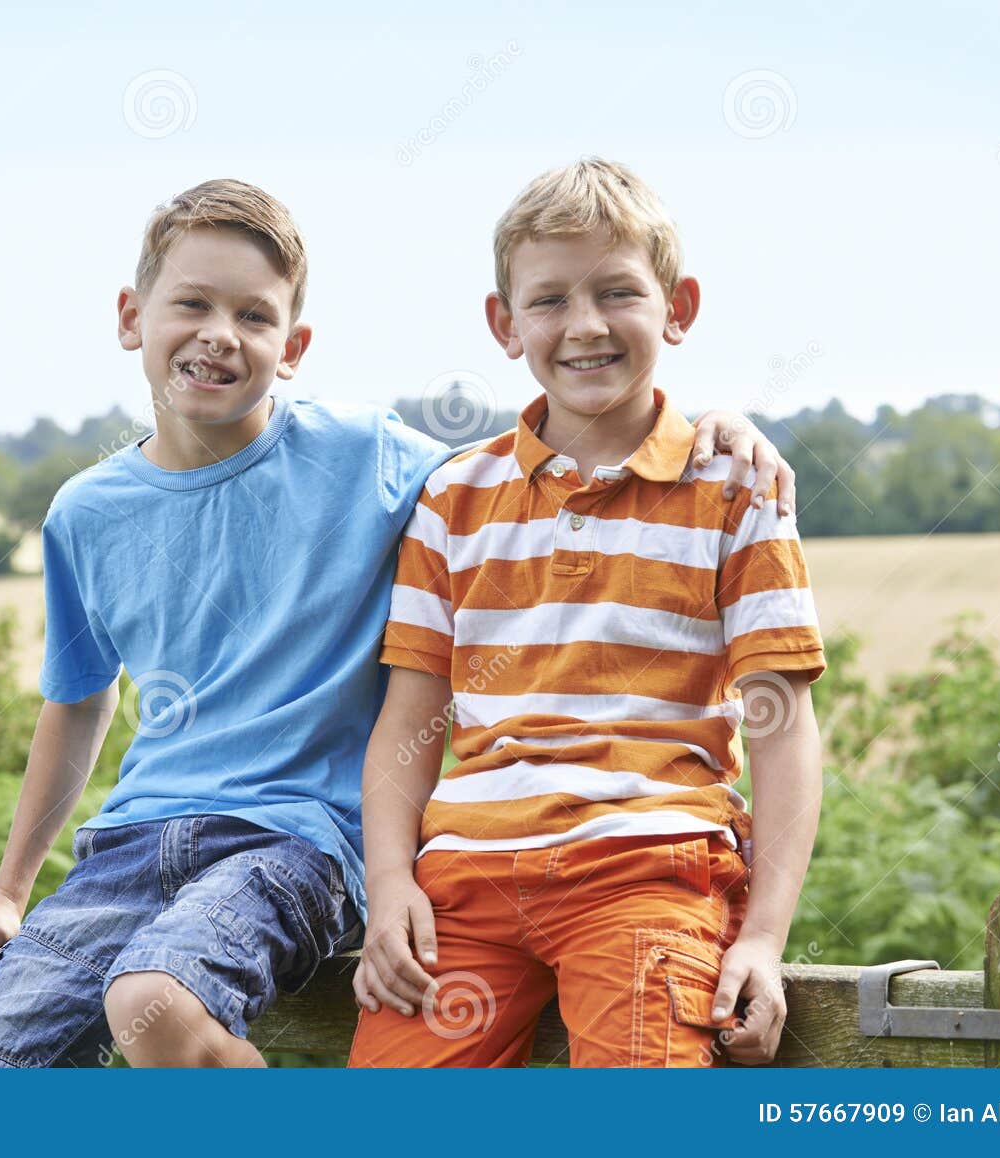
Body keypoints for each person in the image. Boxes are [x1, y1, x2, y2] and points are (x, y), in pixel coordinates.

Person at [0, 177, 795, 1067]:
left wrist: (714, 428)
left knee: (154, 999)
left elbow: (561, 460)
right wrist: (8, 889)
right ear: (130, 317)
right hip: (132, 848)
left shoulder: (373, 461)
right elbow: (78, 701)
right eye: (192, 304)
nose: (219, 334)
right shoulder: (85, 513)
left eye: (253, 316)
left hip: (298, 841)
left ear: (292, 347)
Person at [348, 158, 825, 1067]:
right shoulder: (454, 499)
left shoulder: (737, 490)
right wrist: (388, 884)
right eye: (550, 300)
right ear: (505, 324)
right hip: (465, 883)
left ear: (678, 307)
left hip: (647, 871)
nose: (586, 325)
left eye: (618, 292)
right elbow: (407, 722)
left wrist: (764, 936)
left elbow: (783, 726)